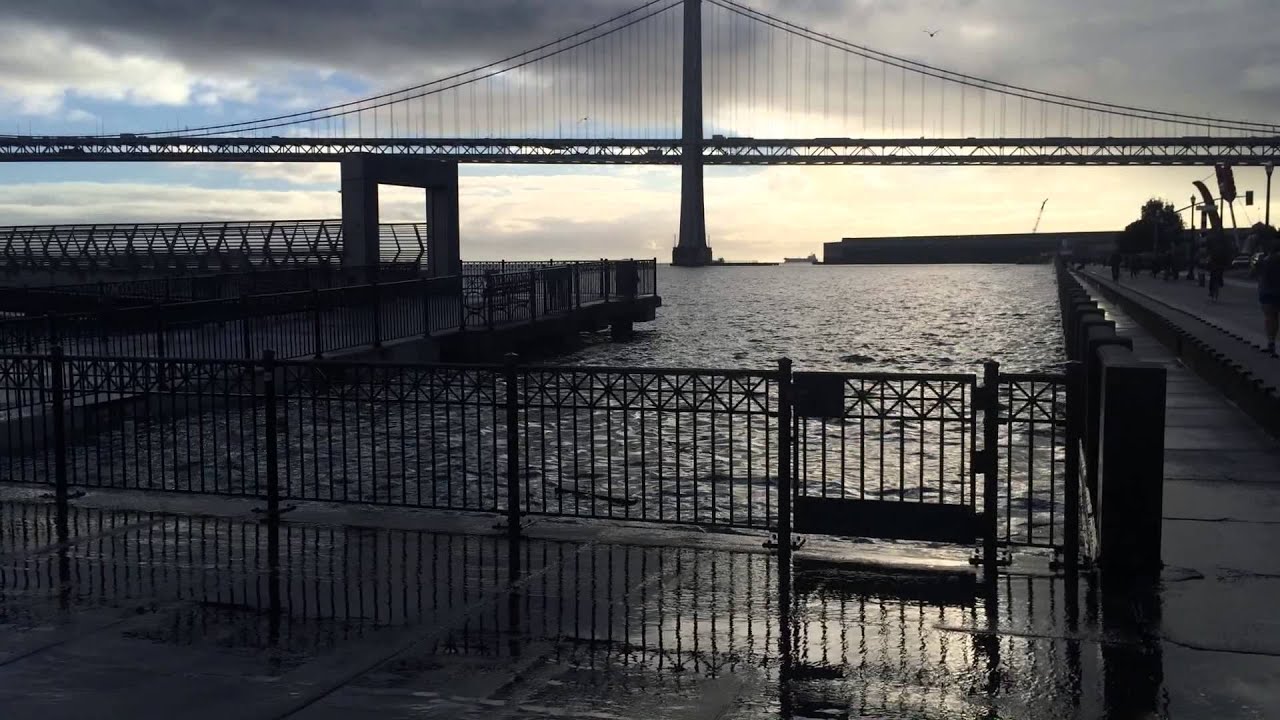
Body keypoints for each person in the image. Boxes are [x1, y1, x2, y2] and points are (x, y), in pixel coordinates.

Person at [1258, 241, 1280, 356]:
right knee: (1273, 317)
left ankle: (1271, 343)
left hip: (1268, 291)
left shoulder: (1266, 260)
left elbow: (1259, 274)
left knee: (1270, 317)